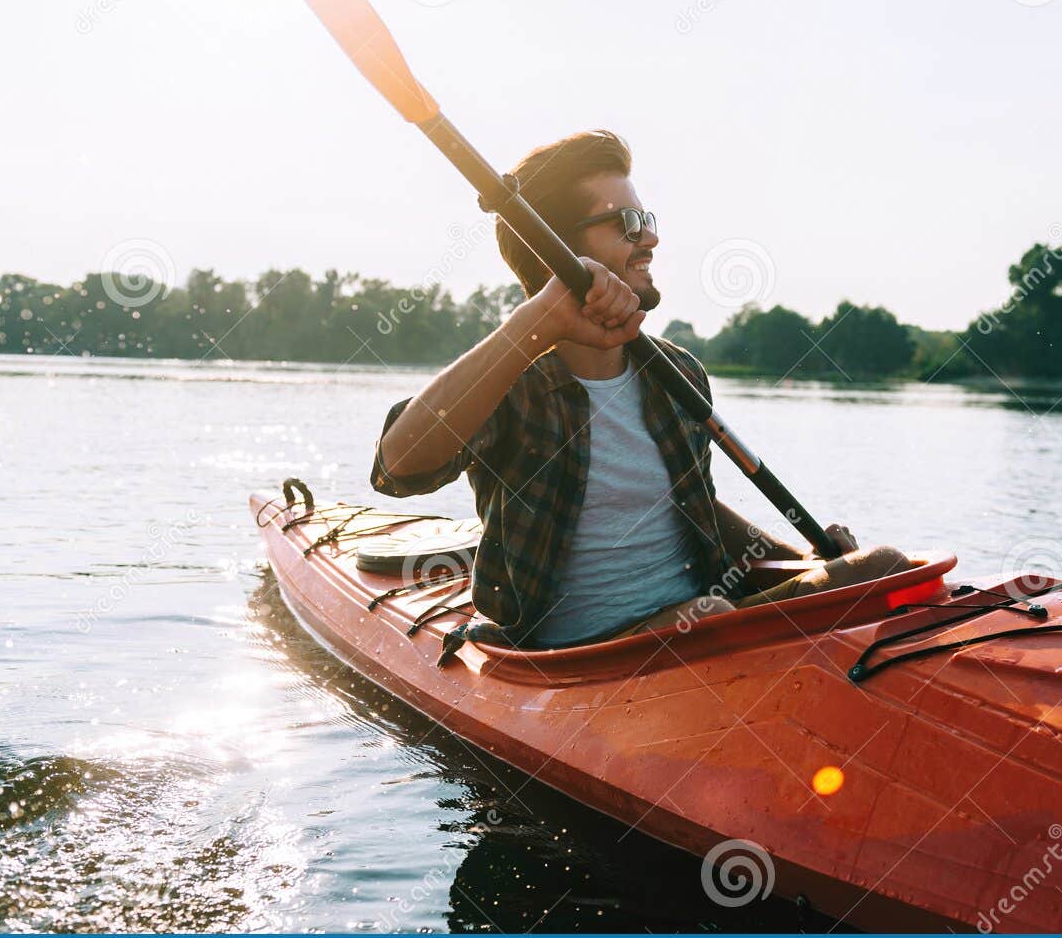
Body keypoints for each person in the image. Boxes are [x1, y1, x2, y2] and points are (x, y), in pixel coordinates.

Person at [371, 130, 909, 648]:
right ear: (554, 251)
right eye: (627, 223)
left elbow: (698, 507)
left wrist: (803, 560)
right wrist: (535, 325)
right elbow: (397, 469)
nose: (650, 238)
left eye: (646, 219)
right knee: (707, 621)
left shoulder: (677, 373)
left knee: (881, 567)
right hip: (588, 653)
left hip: (703, 621)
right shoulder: (507, 381)